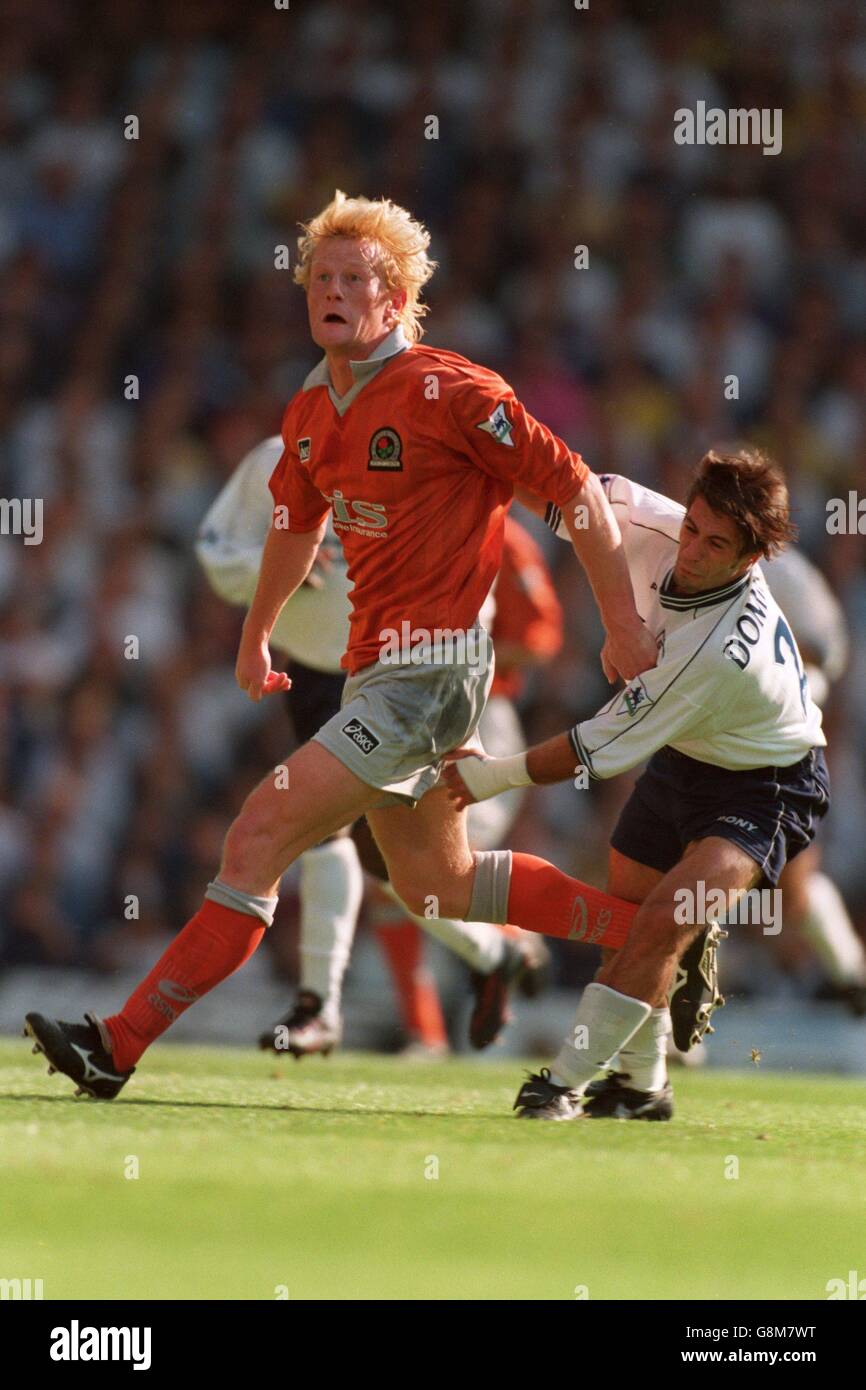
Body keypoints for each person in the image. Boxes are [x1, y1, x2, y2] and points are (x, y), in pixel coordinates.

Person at [24, 189, 657, 1100]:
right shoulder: (313, 409)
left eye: (354, 278)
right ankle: (651, 934)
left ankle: (115, 1045)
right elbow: (291, 525)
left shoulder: (454, 391)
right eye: (320, 277)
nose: (332, 290)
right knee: (437, 885)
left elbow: (579, 496)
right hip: (374, 676)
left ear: (396, 301)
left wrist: (624, 623)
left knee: (261, 830)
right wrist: (255, 637)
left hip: (433, 672)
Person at [445, 451, 830, 1121]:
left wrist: (490, 778)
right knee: (626, 927)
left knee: (661, 922)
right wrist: (488, 470)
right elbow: (578, 496)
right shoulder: (659, 524)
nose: (694, 551)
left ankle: (563, 1082)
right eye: (695, 529)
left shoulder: (718, 651)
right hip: (687, 756)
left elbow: (594, 748)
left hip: (766, 786)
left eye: (717, 545)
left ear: (750, 558)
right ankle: (643, 1088)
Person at [195, 437, 556, 1058]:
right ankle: (342, 1004)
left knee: (407, 868)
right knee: (351, 849)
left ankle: (478, 970)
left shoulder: (439, 461)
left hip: (422, 689)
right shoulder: (285, 455)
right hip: (319, 673)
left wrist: (459, 655)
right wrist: (270, 571)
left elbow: (536, 629)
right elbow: (216, 548)